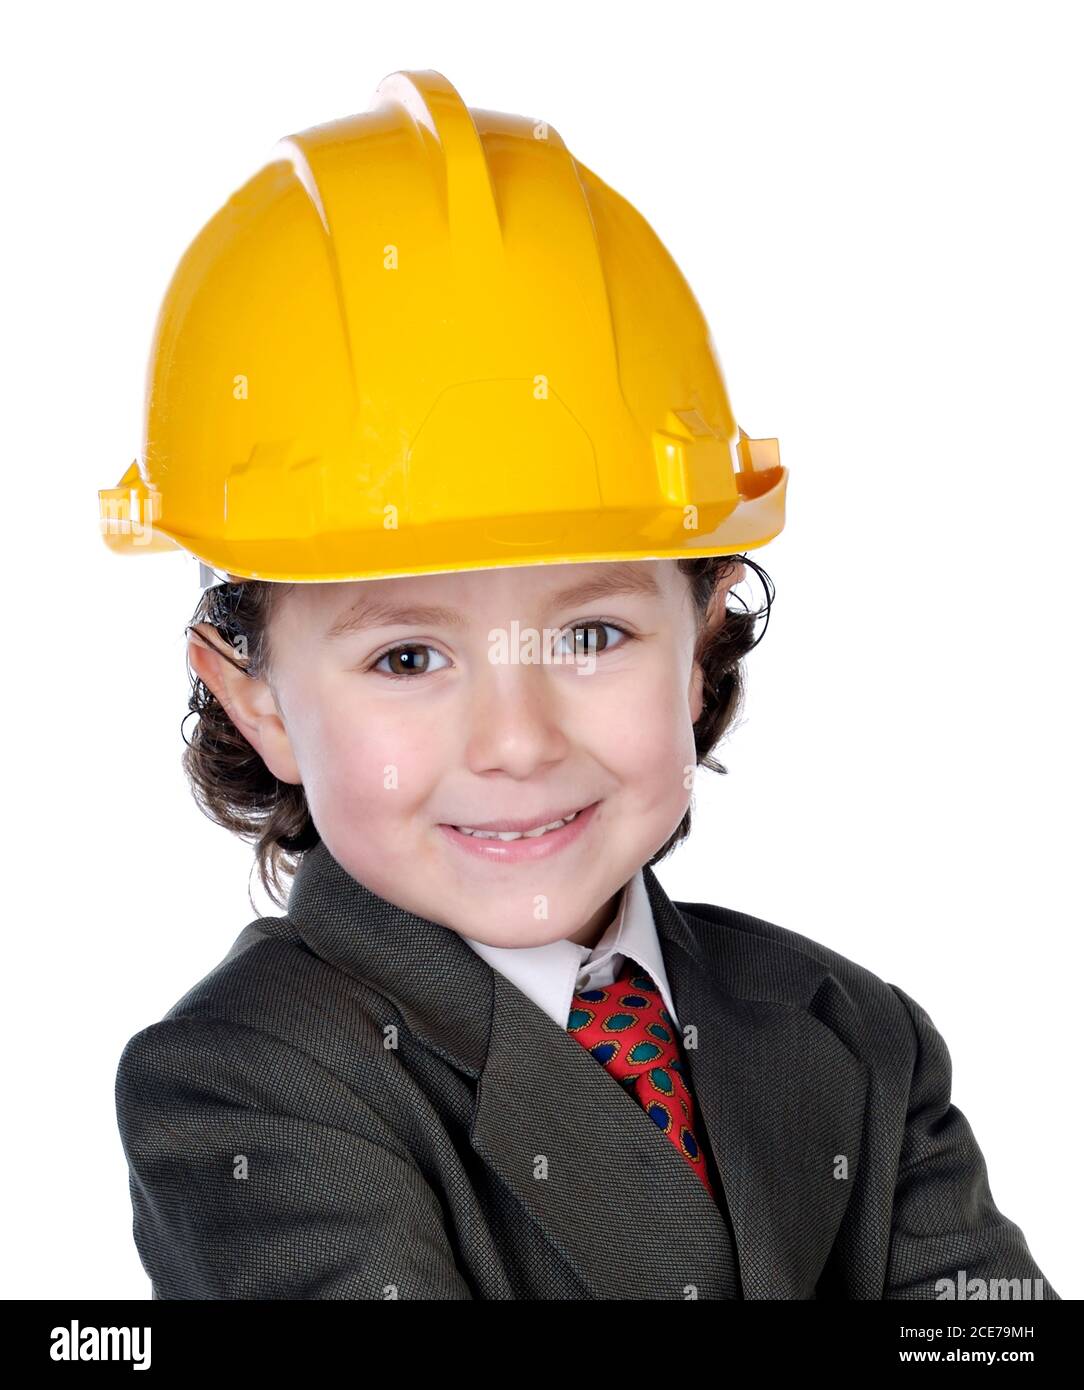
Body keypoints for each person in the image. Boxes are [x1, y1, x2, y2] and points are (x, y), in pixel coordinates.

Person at [103, 69, 1057, 1301]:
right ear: (257, 700)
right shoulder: (245, 1080)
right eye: (409, 657)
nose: (515, 739)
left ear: (703, 637)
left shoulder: (854, 1032)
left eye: (591, 636)